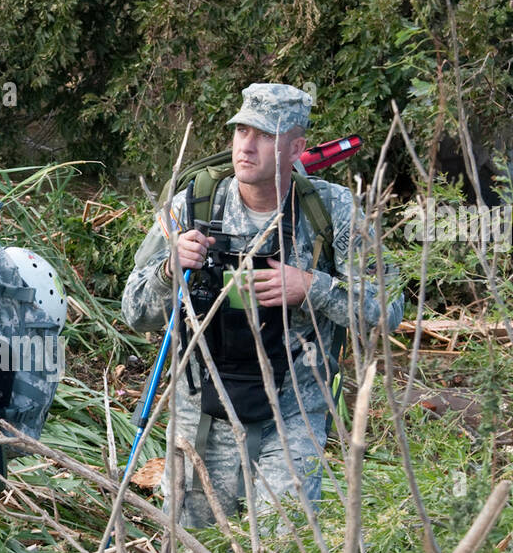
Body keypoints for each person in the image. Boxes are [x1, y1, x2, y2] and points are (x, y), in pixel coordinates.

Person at [121, 83, 403, 527]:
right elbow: (134, 312)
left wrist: (311, 286)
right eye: (241, 131)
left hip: (292, 419)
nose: (246, 147)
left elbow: (387, 311)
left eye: (264, 135)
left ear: (296, 147)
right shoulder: (192, 204)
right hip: (201, 416)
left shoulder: (334, 212)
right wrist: (168, 271)